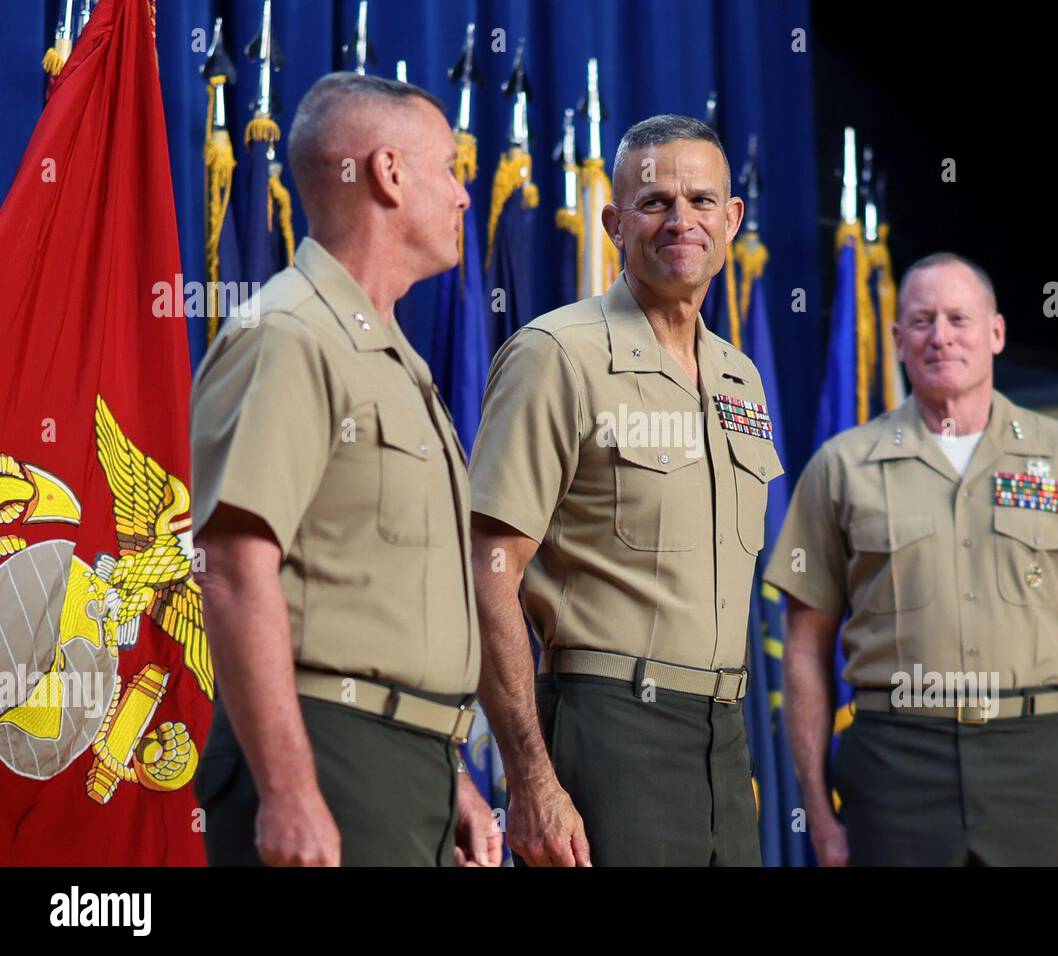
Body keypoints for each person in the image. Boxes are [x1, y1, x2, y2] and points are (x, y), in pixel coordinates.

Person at [190, 72, 500, 867]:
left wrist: (450, 775)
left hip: (407, 767)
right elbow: (231, 566)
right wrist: (291, 791)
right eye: (450, 171)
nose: (466, 197)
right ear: (389, 174)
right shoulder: (290, 335)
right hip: (326, 757)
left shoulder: (395, 361)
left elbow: (390, 605)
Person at [765, 252, 1058, 866]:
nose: (940, 336)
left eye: (959, 318)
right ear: (896, 340)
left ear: (996, 333)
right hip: (894, 765)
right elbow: (805, 649)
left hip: (1033, 764)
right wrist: (818, 812)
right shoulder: (841, 468)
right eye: (921, 321)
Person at [469, 115, 782, 866]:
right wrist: (532, 779)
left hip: (723, 739)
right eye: (655, 203)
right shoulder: (557, 355)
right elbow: (485, 574)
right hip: (607, 731)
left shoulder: (741, 377)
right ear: (613, 222)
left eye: (703, 201)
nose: (682, 221)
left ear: (732, 219)